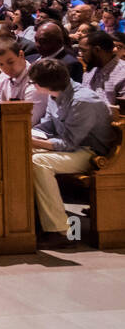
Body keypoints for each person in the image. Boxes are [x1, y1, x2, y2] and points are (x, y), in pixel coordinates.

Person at [28, 58, 121, 246]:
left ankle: (61, 231)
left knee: (38, 162)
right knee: (19, 154)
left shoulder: (82, 101)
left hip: (93, 153)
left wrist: (31, 141)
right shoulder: (55, 94)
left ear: (41, 85)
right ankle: (32, 220)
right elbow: (48, 125)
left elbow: (69, 143)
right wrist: (27, 135)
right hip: (74, 148)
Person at [0, 35, 46, 125]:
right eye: (0, 64)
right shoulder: (2, 77)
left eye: (10, 62)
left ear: (21, 55)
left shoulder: (35, 82)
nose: (6, 68)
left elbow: (29, 121)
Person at [81, 29, 125, 106]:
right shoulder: (90, 70)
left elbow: (122, 112)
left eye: (84, 51)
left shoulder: (122, 73)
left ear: (97, 50)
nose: (81, 54)